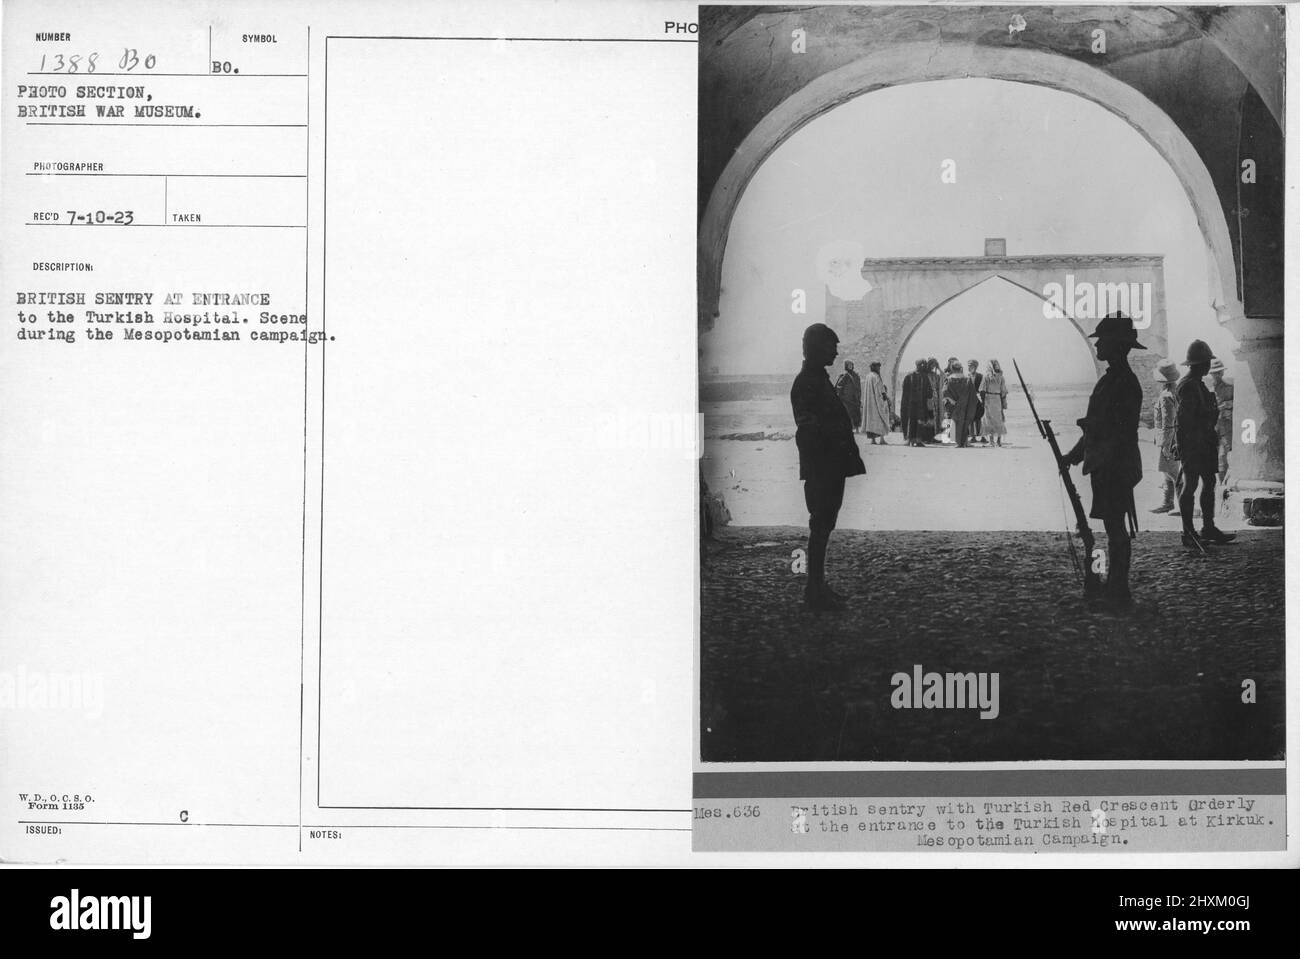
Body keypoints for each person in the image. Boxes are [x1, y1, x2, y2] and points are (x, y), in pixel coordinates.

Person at [1061, 312, 1144, 608]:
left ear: (1116, 345)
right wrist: (1074, 454)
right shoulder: (1114, 379)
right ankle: (1112, 588)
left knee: (1115, 528)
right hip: (1106, 461)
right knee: (1113, 526)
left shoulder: (1124, 382)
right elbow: (1100, 425)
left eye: (1102, 342)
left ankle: (1118, 591)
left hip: (1115, 463)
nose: (1097, 347)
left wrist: (1088, 425)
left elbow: (1114, 427)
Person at [791, 323, 866, 610]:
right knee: (820, 526)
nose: (835, 352)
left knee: (824, 525)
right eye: (830, 346)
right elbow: (808, 429)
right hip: (824, 467)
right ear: (816, 348)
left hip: (830, 466)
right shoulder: (808, 382)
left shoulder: (817, 379)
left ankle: (818, 586)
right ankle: (814, 589)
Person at [1175, 340, 1236, 546]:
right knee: (1190, 484)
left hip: (1204, 443)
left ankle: (1208, 528)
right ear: (1199, 364)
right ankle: (1188, 532)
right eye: (1206, 362)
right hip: (1194, 445)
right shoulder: (1188, 386)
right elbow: (1185, 421)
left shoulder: (1197, 384)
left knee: (1208, 483)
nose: (1209, 366)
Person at [1149, 358, 1180, 513]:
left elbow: (1168, 423)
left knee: (1173, 473)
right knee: (1167, 473)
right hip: (1172, 439)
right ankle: (1167, 502)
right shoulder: (1173, 392)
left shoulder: (1166, 396)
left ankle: (1182, 505)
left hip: (1169, 440)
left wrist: (1167, 445)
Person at [1208, 357, 1234, 491]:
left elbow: (1239, 405)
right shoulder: (1208, 390)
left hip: (1226, 428)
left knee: (1223, 457)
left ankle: (1223, 486)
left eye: (1218, 372)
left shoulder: (1230, 388)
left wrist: (1227, 405)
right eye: (1214, 373)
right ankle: (1218, 486)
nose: (1216, 375)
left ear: (1222, 373)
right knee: (1212, 458)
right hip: (1212, 429)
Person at [943, 358, 978, 448]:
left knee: (954, 423)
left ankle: (956, 442)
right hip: (965, 405)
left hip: (953, 406)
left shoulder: (949, 379)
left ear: (952, 368)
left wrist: (953, 402)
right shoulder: (967, 379)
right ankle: (964, 442)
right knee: (964, 422)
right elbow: (973, 395)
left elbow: (945, 392)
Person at [900, 358, 932, 447]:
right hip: (911, 404)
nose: (922, 366)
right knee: (911, 421)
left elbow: (929, 392)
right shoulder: (909, 376)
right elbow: (905, 390)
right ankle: (910, 439)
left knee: (920, 421)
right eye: (921, 365)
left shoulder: (924, 377)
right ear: (917, 365)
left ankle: (918, 440)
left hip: (921, 404)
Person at [861, 361, 892, 444]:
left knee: (871, 422)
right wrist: (885, 398)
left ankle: (873, 440)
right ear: (875, 367)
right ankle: (882, 439)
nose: (879, 368)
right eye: (878, 367)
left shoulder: (868, 376)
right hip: (877, 403)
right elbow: (880, 390)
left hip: (870, 404)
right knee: (881, 419)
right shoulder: (876, 377)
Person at [979, 359, 1008, 446]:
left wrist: (983, 402)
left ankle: (992, 441)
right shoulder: (1001, 377)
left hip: (989, 399)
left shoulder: (986, 377)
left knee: (989, 420)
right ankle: (998, 440)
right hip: (997, 399)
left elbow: (982, 390)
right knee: (998, 419)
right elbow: (1003, 392)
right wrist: (1003, 403)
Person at [834, 360, 863, 431]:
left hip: (855, 398)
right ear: (846, 366)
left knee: (856, 413)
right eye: (848, 365)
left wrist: (858, 396)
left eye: (851, 365)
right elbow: (839, 386)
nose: (850, 366)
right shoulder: (844, 375)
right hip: (847, 399)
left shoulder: (856, 376)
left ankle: (857, 429)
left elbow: (858, 387)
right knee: (848, 414)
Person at [967, 359, 986, 443]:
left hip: (978, 400)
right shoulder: (967, 376)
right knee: (971, 419)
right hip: (970, 400)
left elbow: (982, 388)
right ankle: (973, 437)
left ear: (975, 366)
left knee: (980, 418)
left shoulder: (980, 376)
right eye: (969, 366)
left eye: (971, 366)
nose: (970, 367)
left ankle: (983, 437)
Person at [925, 358, 943, 443]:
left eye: (934, 365)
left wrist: (939, 368)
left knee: (936, 417)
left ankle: (935, 436)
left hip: (935, 398)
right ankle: (928, 437)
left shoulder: (935, 375)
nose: (933, 366)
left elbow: (943, 376)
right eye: (932, 364)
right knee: (929, 417)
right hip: (928, 398)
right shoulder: (925, 375)